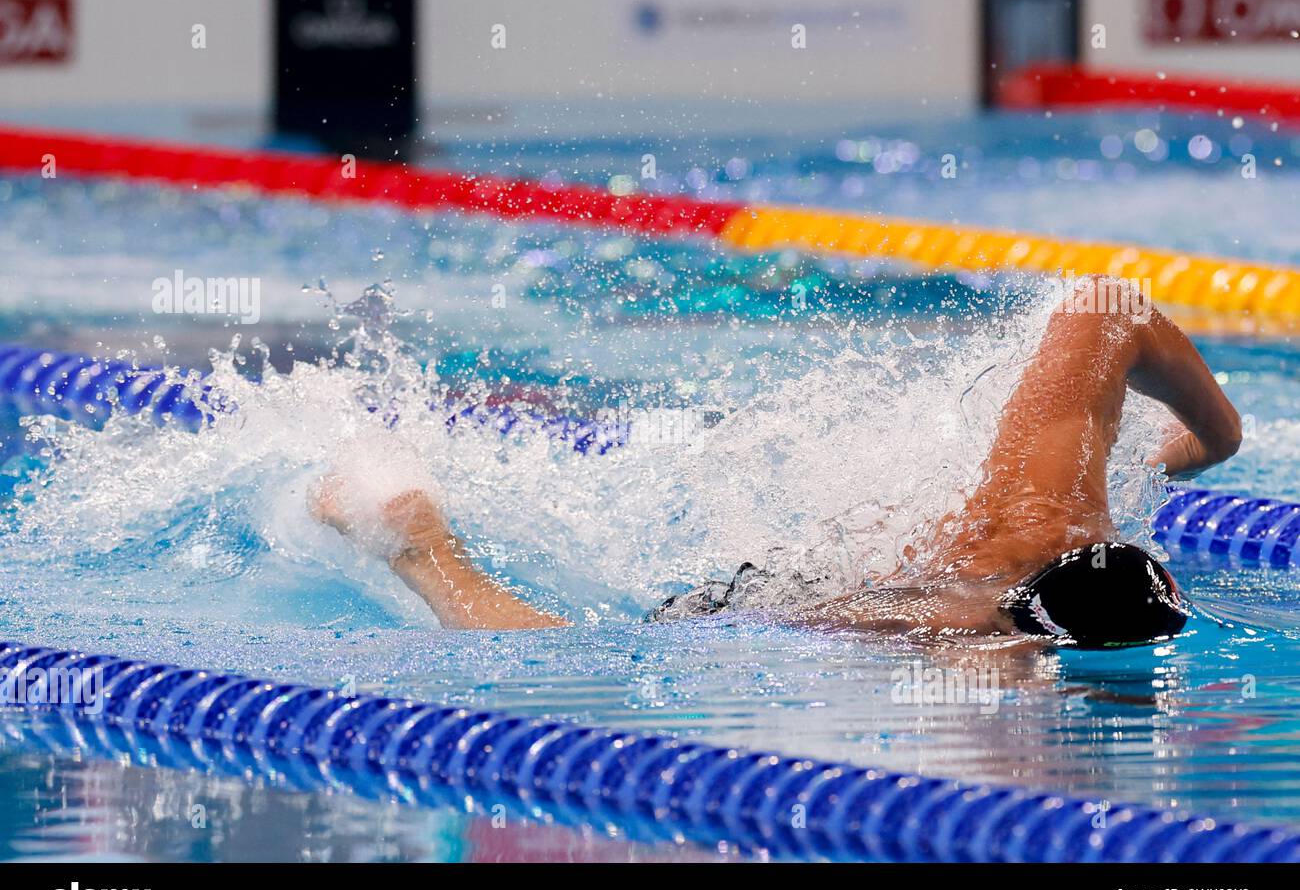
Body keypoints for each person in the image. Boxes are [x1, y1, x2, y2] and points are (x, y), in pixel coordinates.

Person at [312, 277, 1241, 649]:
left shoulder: (1059, 499)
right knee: (575, 648)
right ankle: (417, 541)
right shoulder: (965, 641)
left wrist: (1212, 438)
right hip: (801, 603)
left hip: (853, 568)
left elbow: (1105, 305)